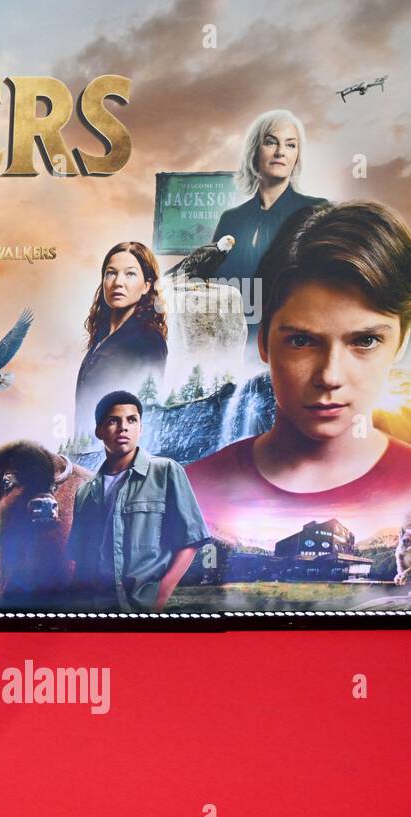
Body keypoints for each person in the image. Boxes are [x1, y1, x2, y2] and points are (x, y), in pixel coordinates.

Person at [186, 201, 411, 548]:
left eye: (365, 341)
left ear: (400, 344)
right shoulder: (185, 491)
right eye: (302, 341)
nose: (330, 376)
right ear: (263, 341)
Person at [67, 392, 210, 612]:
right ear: (99, 430)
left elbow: (191, 540)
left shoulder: (166, 471)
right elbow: (78, 558)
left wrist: (160, 595)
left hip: (144, 607)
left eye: (131, 420)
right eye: (114, 420)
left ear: (140, 429)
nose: (123, 427)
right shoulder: (85, 492)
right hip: (94, 611)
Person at [210, 109, 327, 359]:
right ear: (255, 151)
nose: (280, 152)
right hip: (232, 348)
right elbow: (214, 287)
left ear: (297, 156)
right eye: (271, 141)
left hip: (294, 345)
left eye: (290, 145)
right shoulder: (231, 219)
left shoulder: (318, 211)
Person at [74, 242, 167, 437]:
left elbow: (147, 404)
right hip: (87, 445)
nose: (118, 282)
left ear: (146, 286)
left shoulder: (148, 340)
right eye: (111, 273)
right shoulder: (102, 336)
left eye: (130, 274)